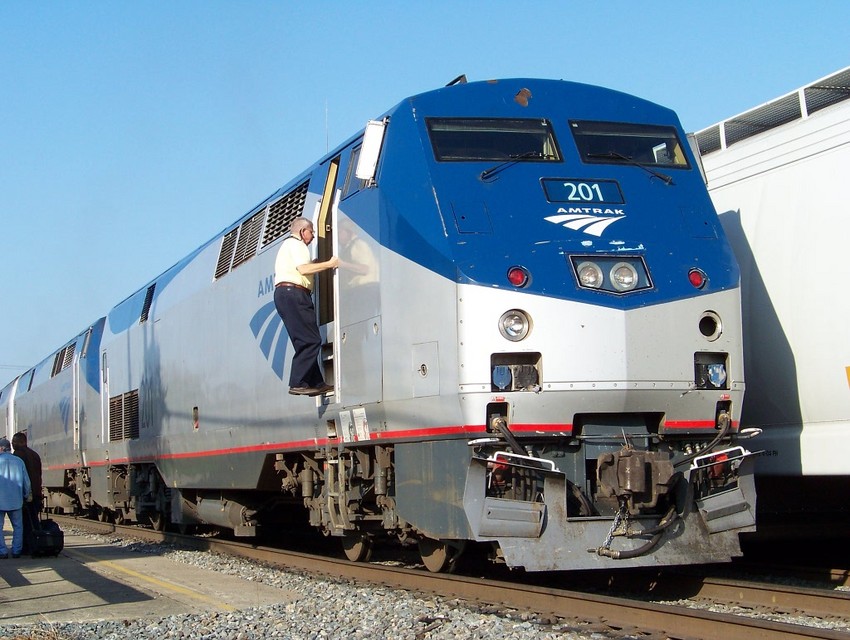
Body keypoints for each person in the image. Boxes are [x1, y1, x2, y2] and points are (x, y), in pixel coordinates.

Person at [274, 217, 339, 396]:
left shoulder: (288, 247)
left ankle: (316, 382)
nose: (313, 236)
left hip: (285, 295)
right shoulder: (297, 245)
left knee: (304, 340)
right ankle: (298, 382)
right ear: (303, 231)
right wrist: (330, 264)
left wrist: (315, 264)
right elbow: (302, 270)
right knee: (311, 340)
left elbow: (301, 268)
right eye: (312, 231)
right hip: (295, 294)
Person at [0, 437, 31, 559]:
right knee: (18, 526)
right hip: (16, 500)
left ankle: (2, 551)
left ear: (1, 448)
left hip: (0, 501)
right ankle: (16, 551)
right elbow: (26, 481)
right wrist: (27, 495)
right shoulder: (19, 461)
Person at [12, 432, 42, 555]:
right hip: (36, 493)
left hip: (24, 495)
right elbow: (39, 475)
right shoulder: (35, 455)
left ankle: (25, 547)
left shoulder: (17, 455)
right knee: (34, 521)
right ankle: (35, 544)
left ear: (21, 442)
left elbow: (20, 477)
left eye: (14, 442)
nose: (13, 444)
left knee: (23, 523)